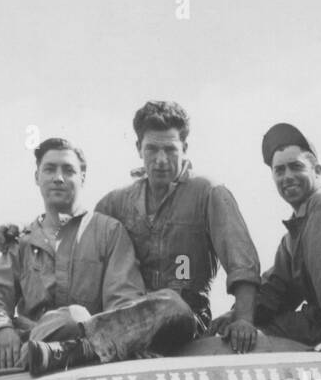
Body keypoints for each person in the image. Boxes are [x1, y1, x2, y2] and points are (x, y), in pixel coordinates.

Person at [0, 137, 155, 380]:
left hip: (82, 344)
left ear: (82, 177)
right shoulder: (24, 240)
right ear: (36, 177)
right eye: (49, 169)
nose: (58, 178)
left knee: (73, 316)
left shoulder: (108, 232)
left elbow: (124, 303)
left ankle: (40, 355)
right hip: (22, 342)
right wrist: (1, 330)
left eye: (68, 170)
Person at [93, 101, 264, 353]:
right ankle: (79, 345)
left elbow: (242, 261)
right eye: (151, 149)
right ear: (138, 148)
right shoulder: (114, 203)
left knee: (172, 303)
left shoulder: (209, 192)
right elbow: (87, 255)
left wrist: (244, 320)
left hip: (185, 317)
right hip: (125, 316)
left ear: (184, 148)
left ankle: (87, 347)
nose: (161, 160)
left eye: (170, 150)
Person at [212, 123, 321, 352]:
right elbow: (276, 289)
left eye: (296, 167)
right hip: (318, 321)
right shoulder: (293, 234)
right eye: (280, 170)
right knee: (240, 335)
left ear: (317, 170)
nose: (288, 176)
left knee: (252, 345)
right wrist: (236, 316)